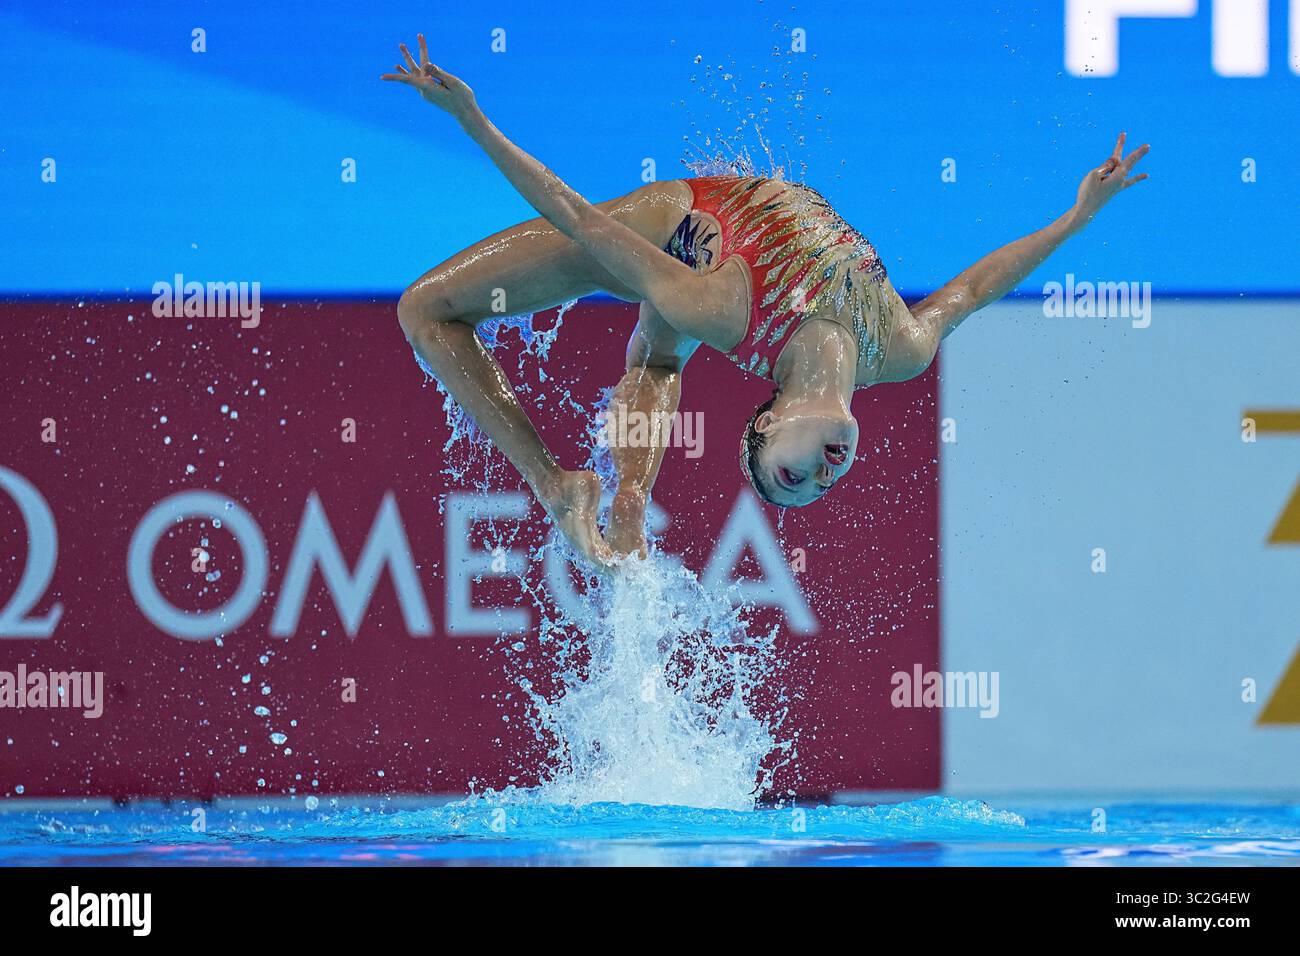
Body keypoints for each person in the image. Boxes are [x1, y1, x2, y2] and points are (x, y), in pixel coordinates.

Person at [383, 34, 1150, 566]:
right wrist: (1076, 217)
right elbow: (977, 289)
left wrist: (474, 123)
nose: (824, 475)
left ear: (771, 419)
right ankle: (623, 499)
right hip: (701, 272)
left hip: (666, 226)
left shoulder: (720, 310)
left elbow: (576, 217)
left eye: (794, 478)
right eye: (824, 486)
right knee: (655, 354)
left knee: (427, 309)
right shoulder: (901, 350)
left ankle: (558, 487)